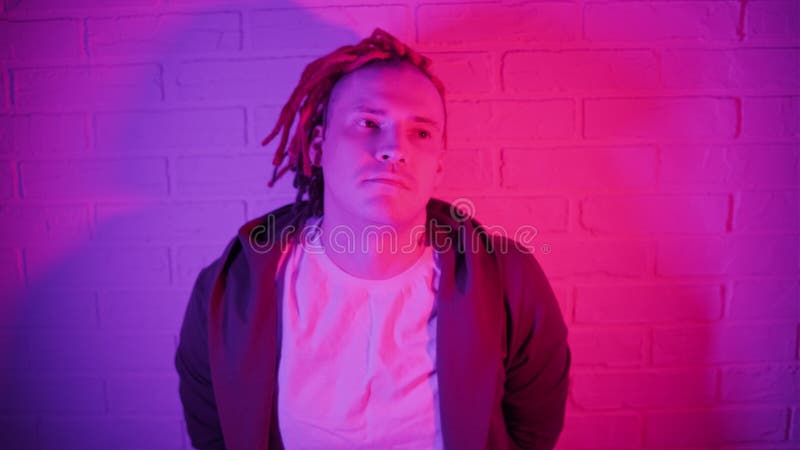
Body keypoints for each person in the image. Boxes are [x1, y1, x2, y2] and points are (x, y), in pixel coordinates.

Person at [174, 28, 570, 450]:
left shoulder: (508, 281)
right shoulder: (232, 290)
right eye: (368, 123)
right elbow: (216, 432)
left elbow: (532, 433)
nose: (393, 149)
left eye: (420, 133)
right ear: (319, 144)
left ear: (439, 161)